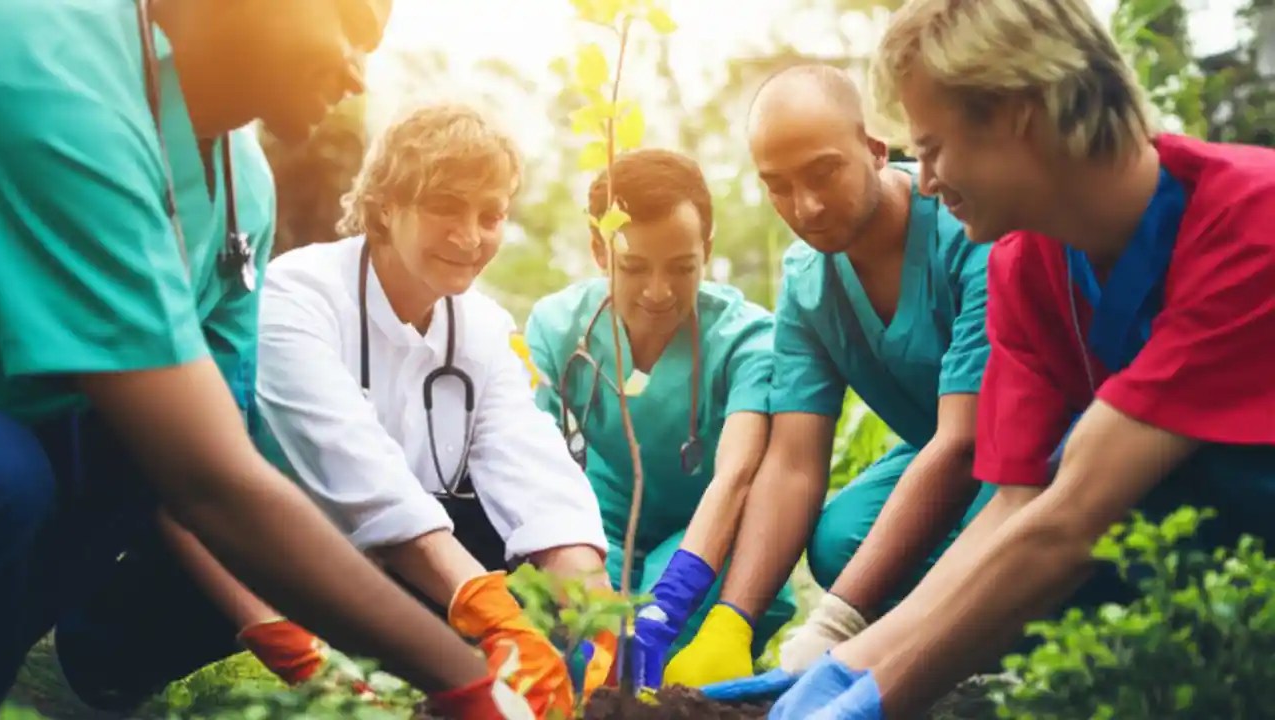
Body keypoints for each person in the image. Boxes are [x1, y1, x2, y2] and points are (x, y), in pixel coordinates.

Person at [0, 1, 530, 718]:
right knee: (15, 480)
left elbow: (209, 449)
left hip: (66, 437)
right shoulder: (51, 60)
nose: (356, 73)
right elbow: (208, 475)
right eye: (348, 29)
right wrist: (464, 680)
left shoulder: (244, 190)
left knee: (123, 467)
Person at [768, 1, 1275, 718]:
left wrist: (877, 699)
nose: (926, 180)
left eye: (934, 148)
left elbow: (1070, 520)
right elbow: (1014, 505)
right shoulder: (1026, 266)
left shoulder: (1251, 223)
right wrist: (845, 660)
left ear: (1020, 116)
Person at [247, 102, 613, 717]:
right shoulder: (298, 297)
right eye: (446, 205)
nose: (471, 237)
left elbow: (531, 465)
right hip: (272, 569)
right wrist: (491, 613)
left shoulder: (483, 329)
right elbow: (362, 477)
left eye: (490, 215)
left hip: (400, 576)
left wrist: (594, 608)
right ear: (386, 205)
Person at [663, 64, 997, 690]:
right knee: (840, 540)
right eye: (778, 187)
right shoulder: (808, 282)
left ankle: (994, 637)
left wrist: (835, 623)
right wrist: (731, 623)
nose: (806, 207)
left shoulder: (967, 230)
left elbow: (965, 441)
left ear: (875, 148)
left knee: (989, 527)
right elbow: (793, 463)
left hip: (1020, 448)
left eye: (823, 173)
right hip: (940, 450)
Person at [523, 148, 796, 689]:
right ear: (599, 251)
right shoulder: (556, 329)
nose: (658, 291)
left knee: (669, 657)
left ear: (707, 250)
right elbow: (528, 471)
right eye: (633, 267)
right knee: (580, 647)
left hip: (708, 538)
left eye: (682, 268)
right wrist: (592, 603)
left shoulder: (747, 340)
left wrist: (670, 602)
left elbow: (738, 475)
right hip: (598, 532)